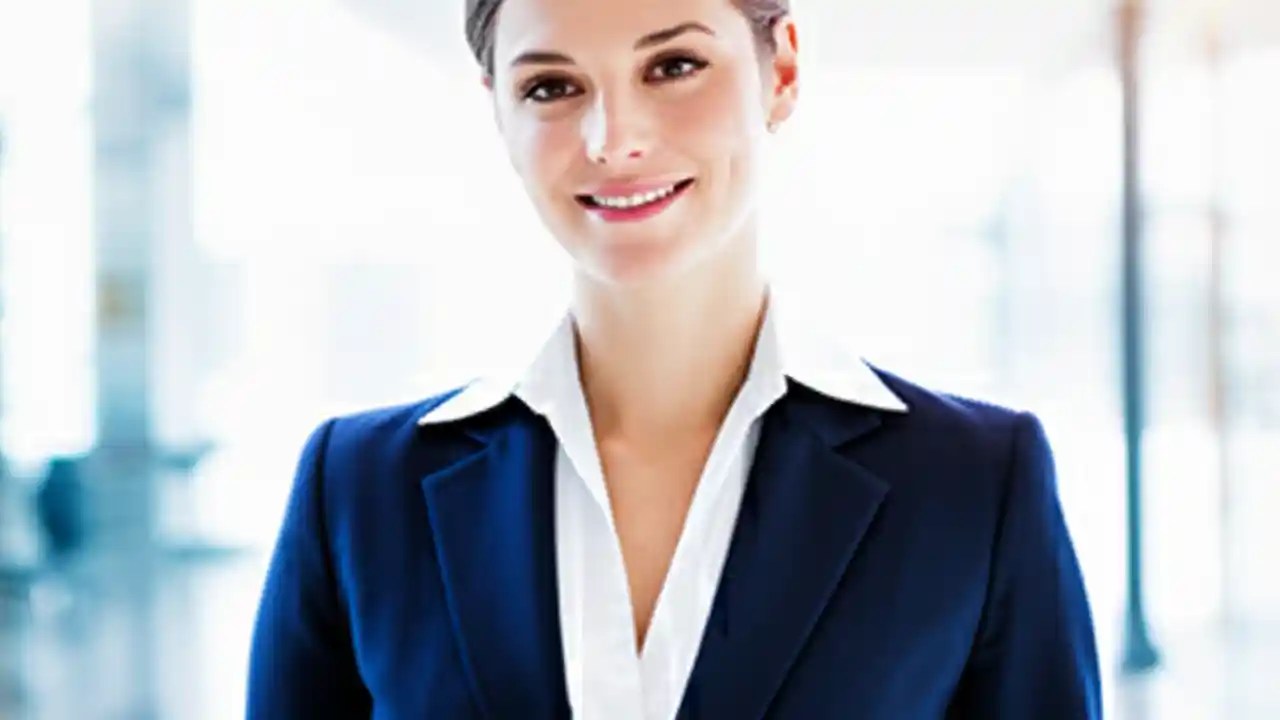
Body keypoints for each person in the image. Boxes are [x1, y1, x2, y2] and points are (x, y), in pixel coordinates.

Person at [246, 0, 1102, 717]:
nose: (612, 139)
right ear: (498, 114)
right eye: (551, 86)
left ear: (783, 70)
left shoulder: (971, 485)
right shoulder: (359, 492)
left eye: (673, 67)